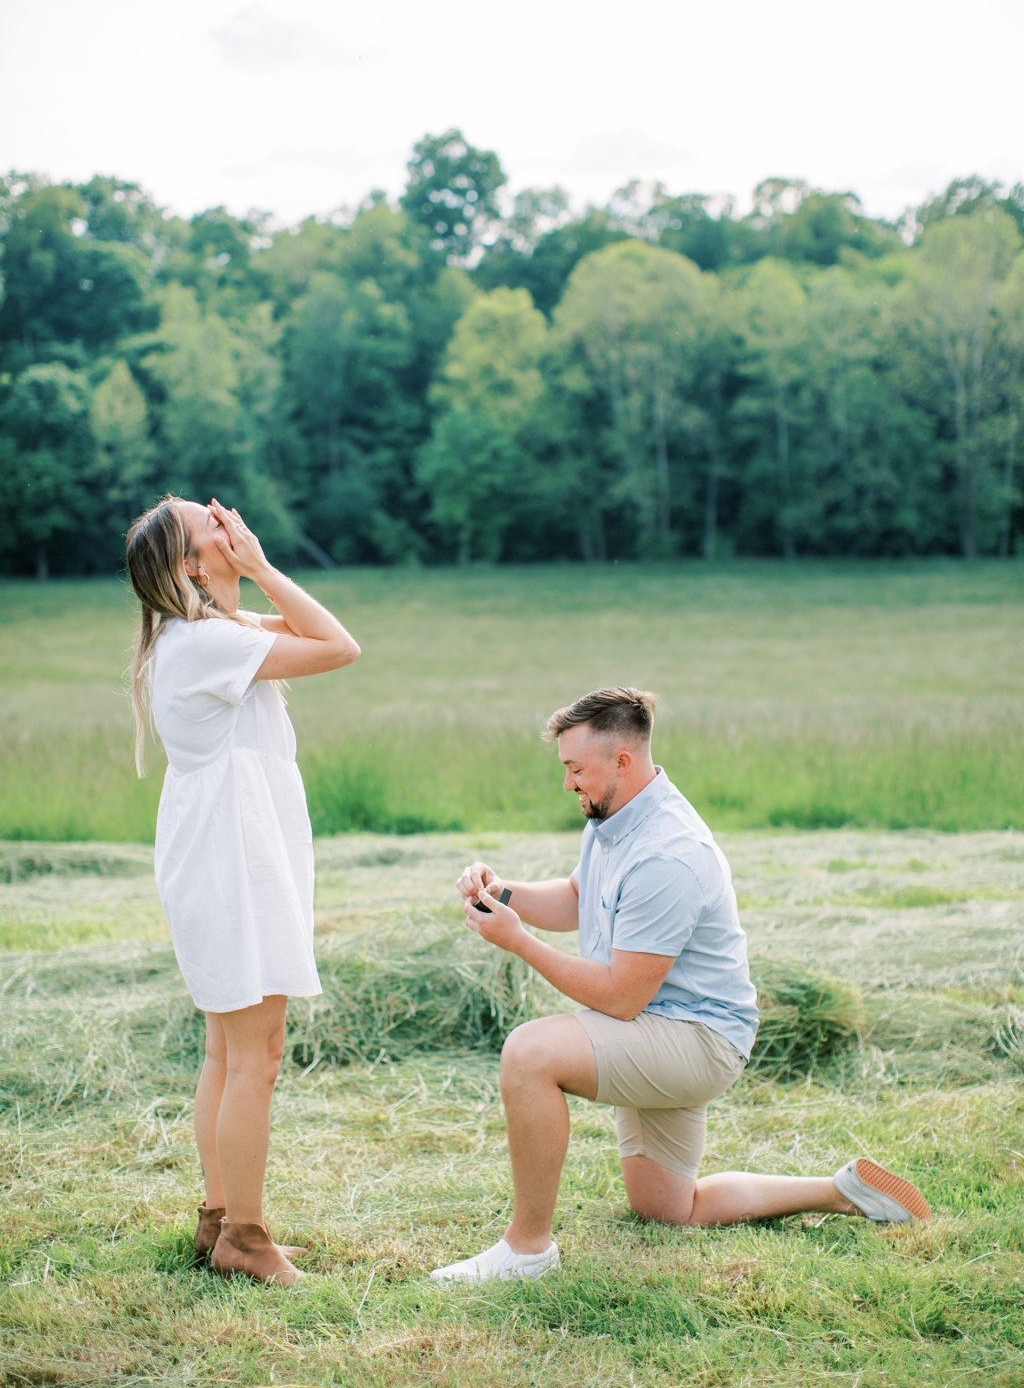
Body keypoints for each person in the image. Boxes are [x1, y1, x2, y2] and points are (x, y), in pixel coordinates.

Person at [431, 687, 930, 1283]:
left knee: (529, 1053)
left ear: (623, 760)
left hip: (697, 1038)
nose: (567, 784)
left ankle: (527, 1250)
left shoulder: (669, 853)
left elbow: (620, 996)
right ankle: (843, 1192)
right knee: (667, 1208)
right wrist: (502, 891)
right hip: (663, 1026)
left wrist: (519, 941)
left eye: (574, 769)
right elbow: (578, 898)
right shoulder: (613, 816)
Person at [126, 495, 360, 1285]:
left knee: (231, 1050)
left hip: (232, 840)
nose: (229, 523)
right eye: (210, 525)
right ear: (191, 565)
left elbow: (302, 633)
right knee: (252, 1055)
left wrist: (250, 576)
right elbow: (339, 645)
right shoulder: (202, 644)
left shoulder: (210, 637)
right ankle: (247, 1240)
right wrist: (259, 565)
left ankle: (222, 1223)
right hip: (231, 848)